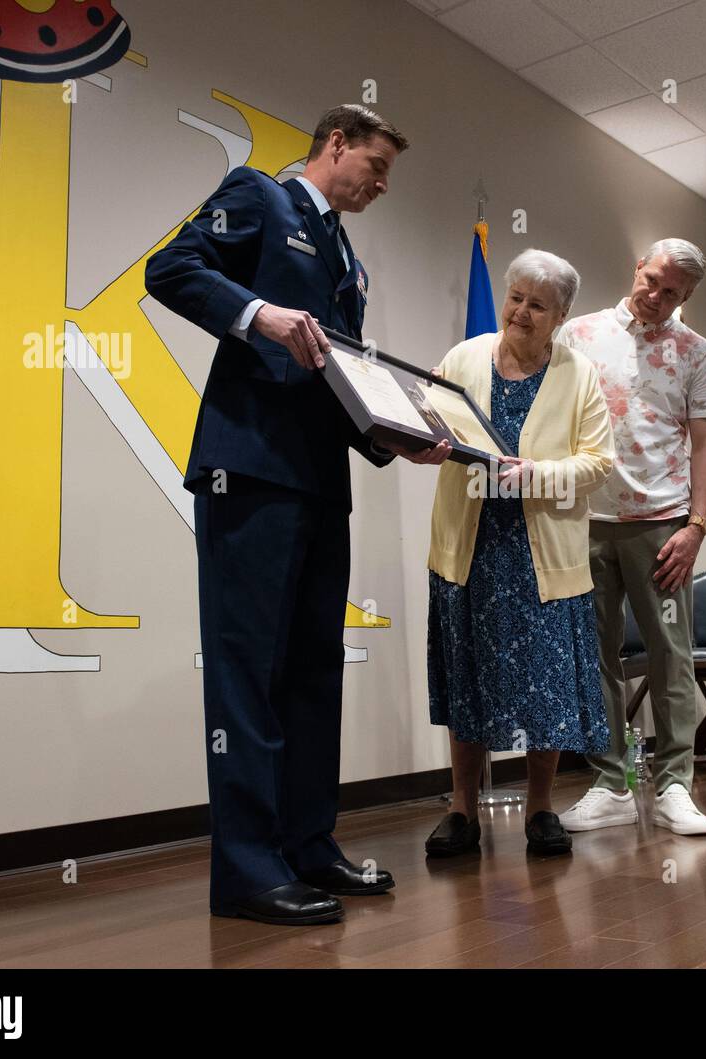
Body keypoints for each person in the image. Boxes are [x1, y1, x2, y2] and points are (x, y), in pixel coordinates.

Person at [145, 104, 450, 926]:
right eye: (376, 167)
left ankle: (309, 844)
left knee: (314, 671)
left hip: (320, 483)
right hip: (246, 472)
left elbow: (343, 376)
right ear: (337, 143)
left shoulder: (346, 260)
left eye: (389, 177)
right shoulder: (257, 197)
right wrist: (258, 315)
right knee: (249, 671)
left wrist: (400, 441)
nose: (382, 185)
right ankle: (248, 869)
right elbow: (169, 268)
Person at [423, 250, 614, 857]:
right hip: (468, 549)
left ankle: (539, 809)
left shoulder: (579, 374)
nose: (521, 312)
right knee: (468, 681)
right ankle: (461, 809)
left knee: (545, 687)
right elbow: (425, 412)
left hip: (543, 557)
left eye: (538, 304)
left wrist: (534, 474)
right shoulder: (464, 357)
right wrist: (420, 438)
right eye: (516, 297)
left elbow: (598, 464)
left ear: (561, 316)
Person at [556, 239, 706, 836]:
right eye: (652, 280)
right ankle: (611, 784)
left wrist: (695, 527)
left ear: (688, 297)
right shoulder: (576, 335)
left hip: (661, 525)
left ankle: (675, 785)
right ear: (637, 267)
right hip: (581, 521)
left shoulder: (696, 352)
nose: (656, 297)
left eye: (672, 292)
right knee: (594, 656)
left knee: (670, 654)